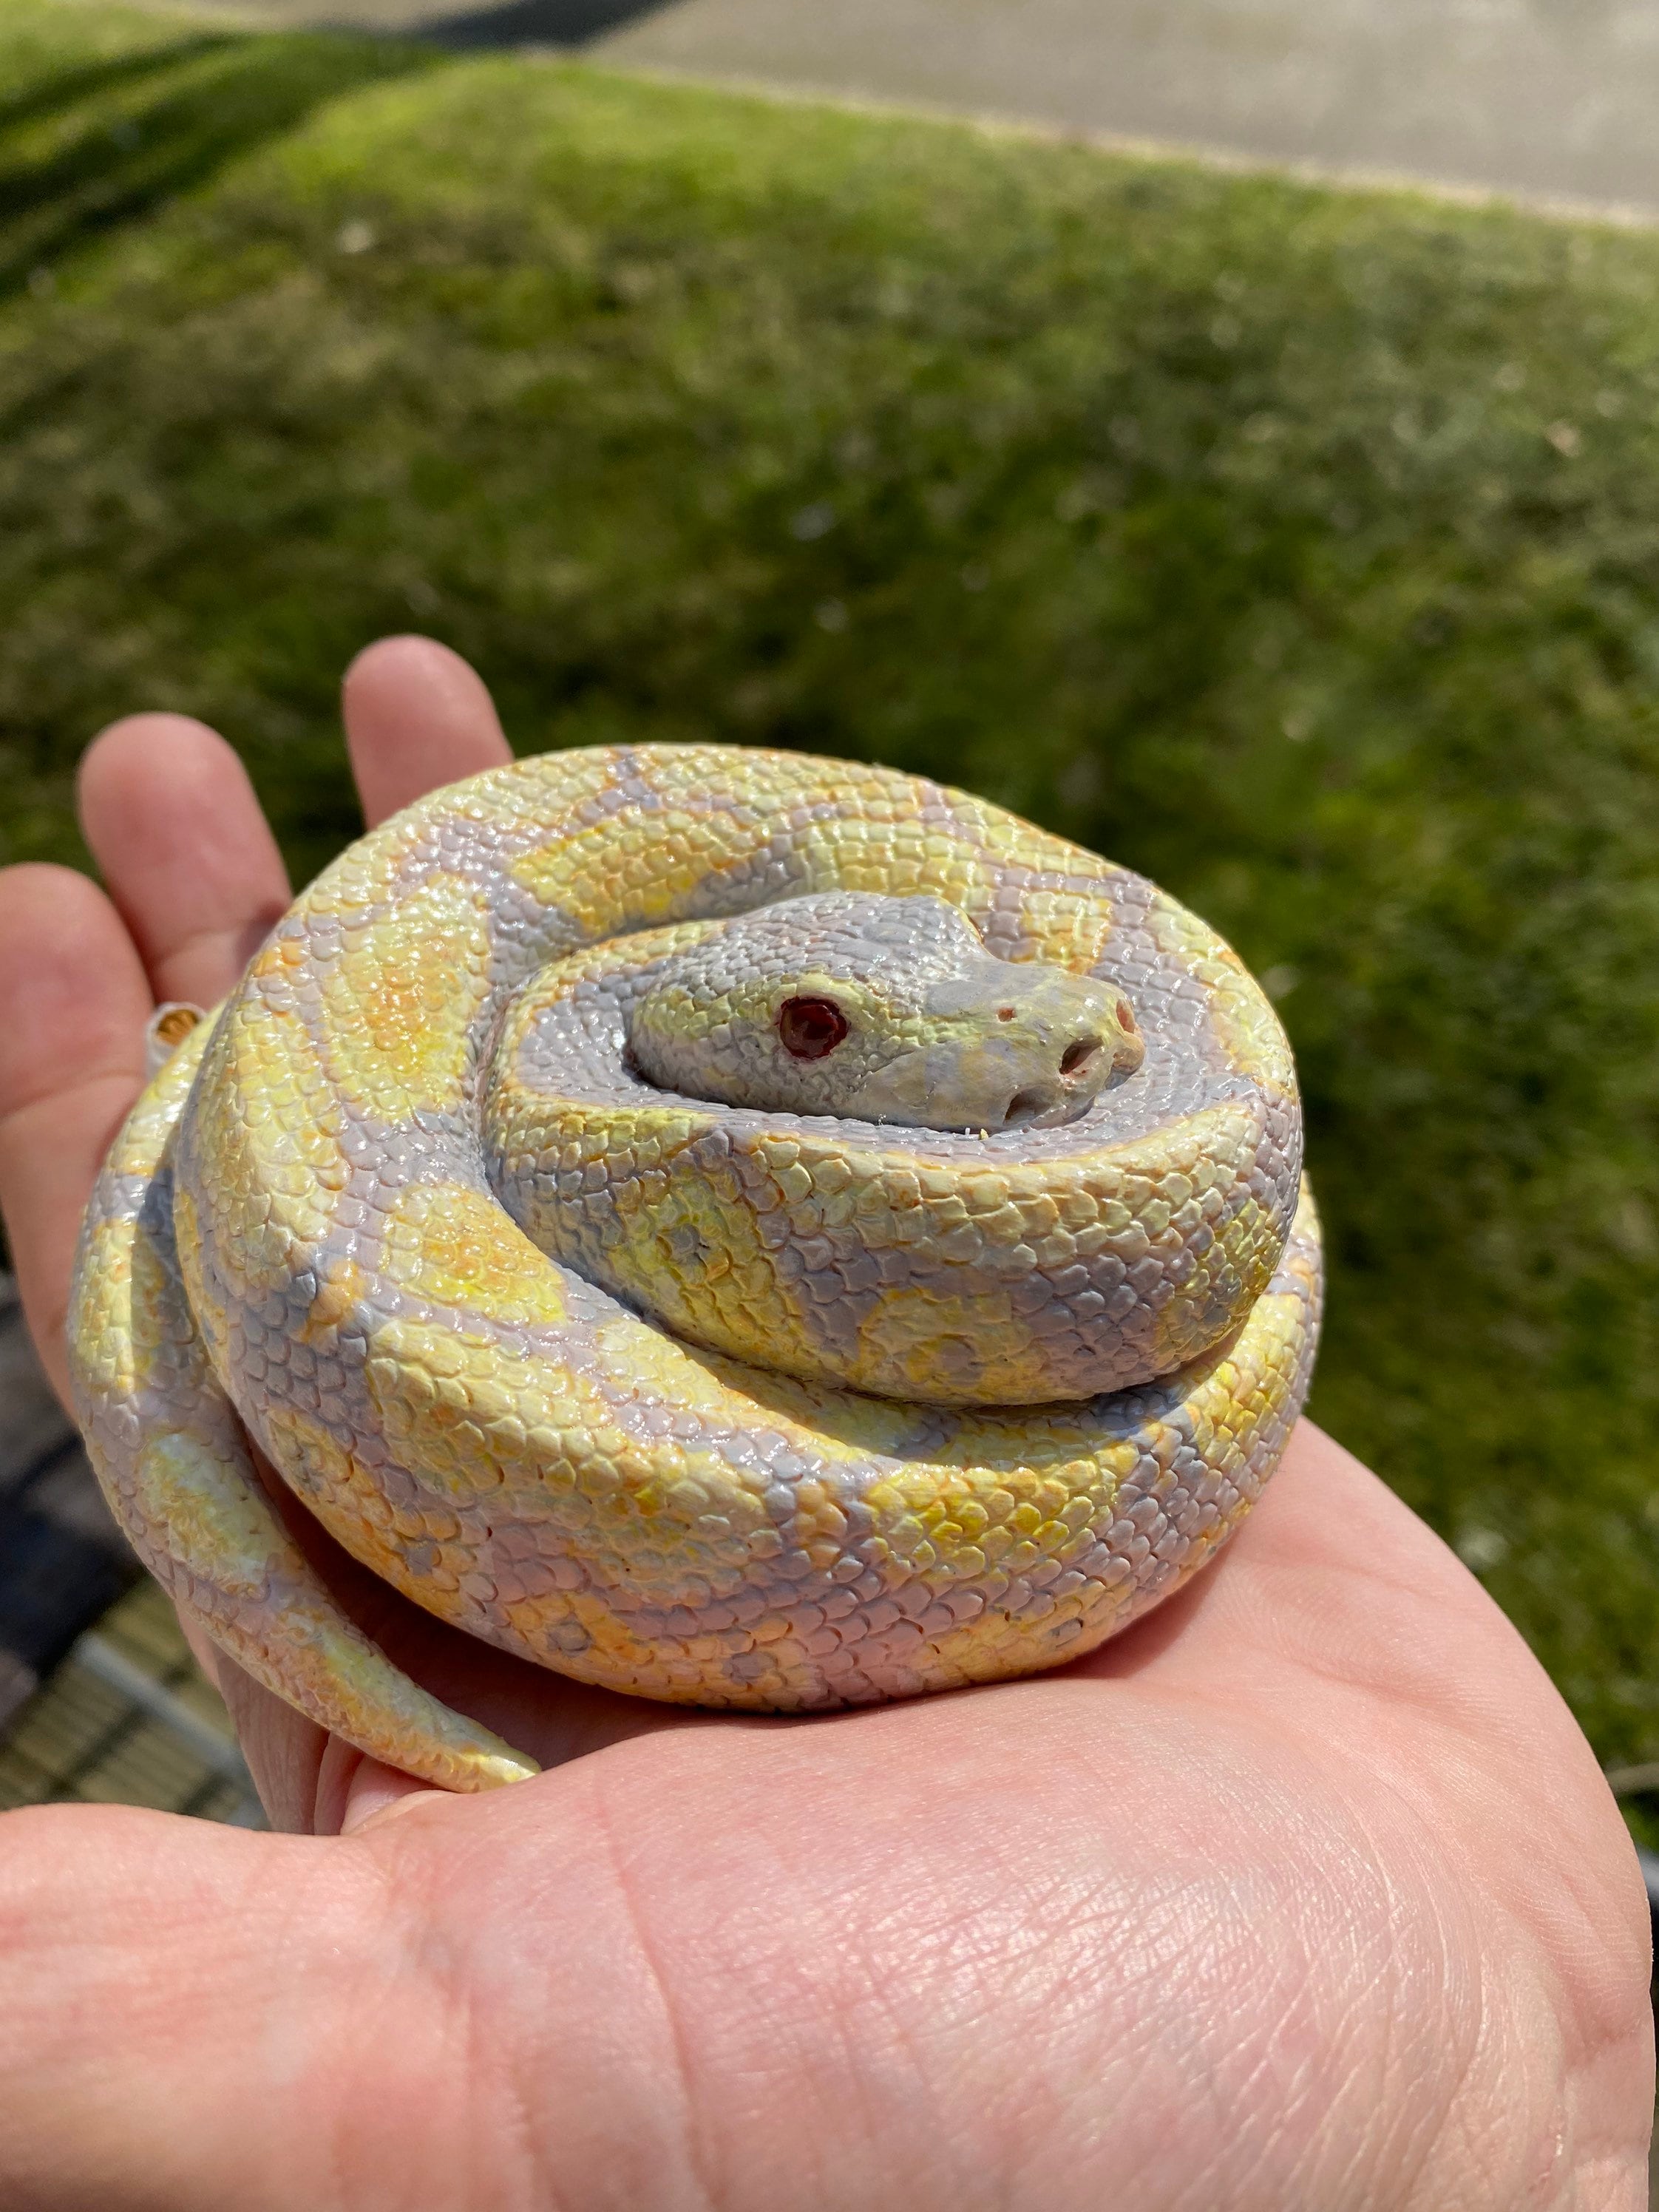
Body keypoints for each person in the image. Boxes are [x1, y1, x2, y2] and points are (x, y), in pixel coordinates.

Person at [0, 637, 1649, 2211]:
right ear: (683, 1066)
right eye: (812, 1030)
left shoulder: (1080, 1091)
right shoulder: (569, 1104)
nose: (1055, 1032)